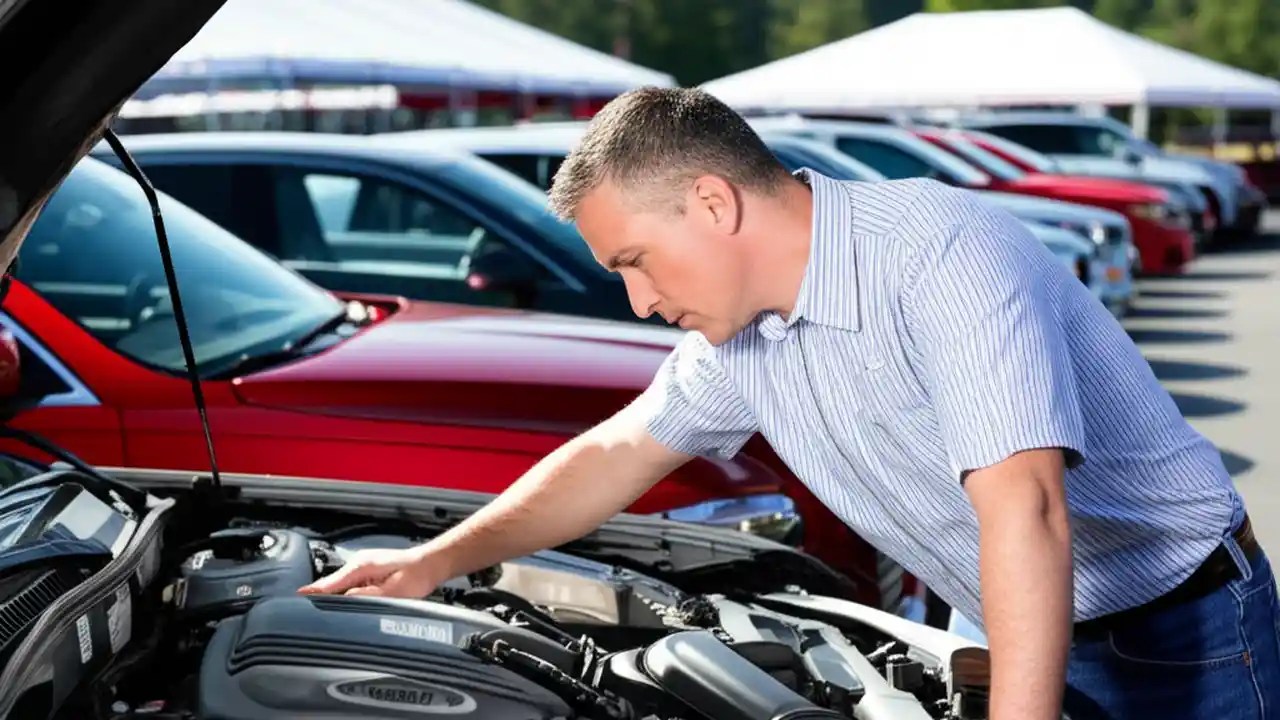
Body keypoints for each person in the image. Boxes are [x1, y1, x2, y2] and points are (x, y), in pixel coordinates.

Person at [299, 87, 1279, 719]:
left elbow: (1024, 507)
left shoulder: (938, 253)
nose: (638, 301)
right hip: (1014, 622)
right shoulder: (736, 336)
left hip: (1177, 629)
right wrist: (431, 563)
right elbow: (614, 453)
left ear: (714, 205)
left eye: (634, 262)